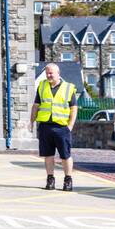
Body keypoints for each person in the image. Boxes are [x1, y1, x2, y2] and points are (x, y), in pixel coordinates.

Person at [30, 63, 78, 191]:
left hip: (62, 127)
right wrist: (31, 121)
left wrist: (70, 126)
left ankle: (68, 180)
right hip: (45, 126)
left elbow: (74, 108)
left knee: (65, 155)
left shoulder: (68, 87)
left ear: (58, 73)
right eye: (47, 73)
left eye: (51, 73)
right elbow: (36, 105)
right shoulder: (42, 86)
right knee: (48, 155)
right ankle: (50, 179)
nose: (49, 75)